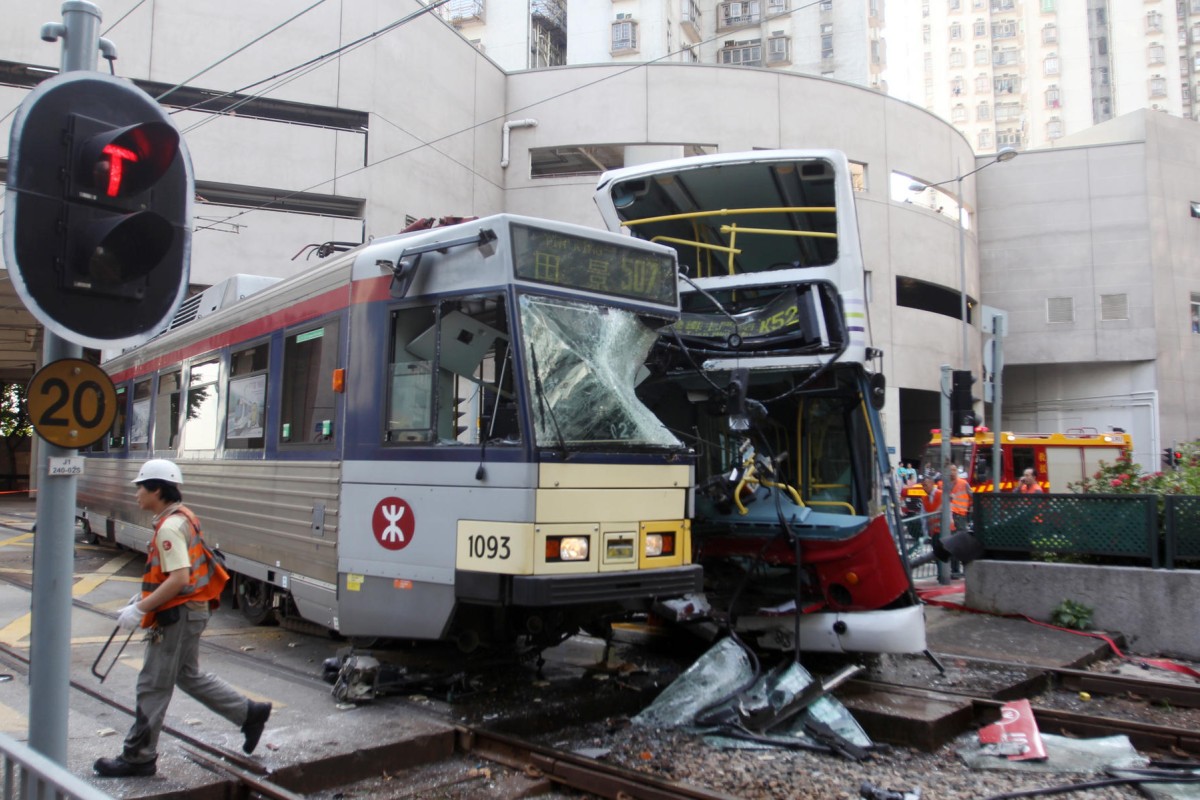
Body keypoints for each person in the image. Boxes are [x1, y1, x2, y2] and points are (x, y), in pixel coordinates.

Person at [94, 459, 271, 778]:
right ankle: (249, 713)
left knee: (153, 684)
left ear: (157, 490)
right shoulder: (182, 517)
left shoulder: (169, 528)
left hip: (177, 615)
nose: (136, 494)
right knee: (188, 675)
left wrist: (141, 609)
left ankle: (138, 757)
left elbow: (178, 578)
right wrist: (144, 598)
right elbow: (176, 575)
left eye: (140, 487)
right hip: (190, 611)